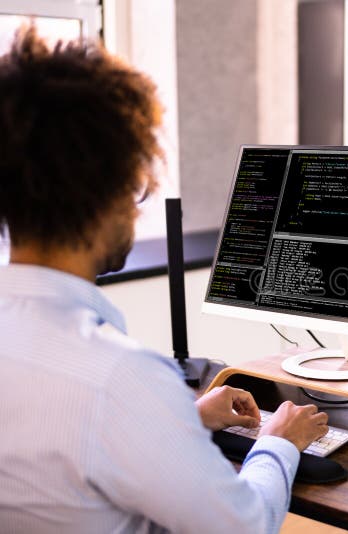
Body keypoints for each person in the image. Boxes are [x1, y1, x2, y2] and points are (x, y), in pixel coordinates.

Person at [0, 26, 328, 533]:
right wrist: (280, 441)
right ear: (111, 190)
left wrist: (180, 419)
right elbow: (243, 525)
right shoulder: (119, 379)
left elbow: (59, 448)